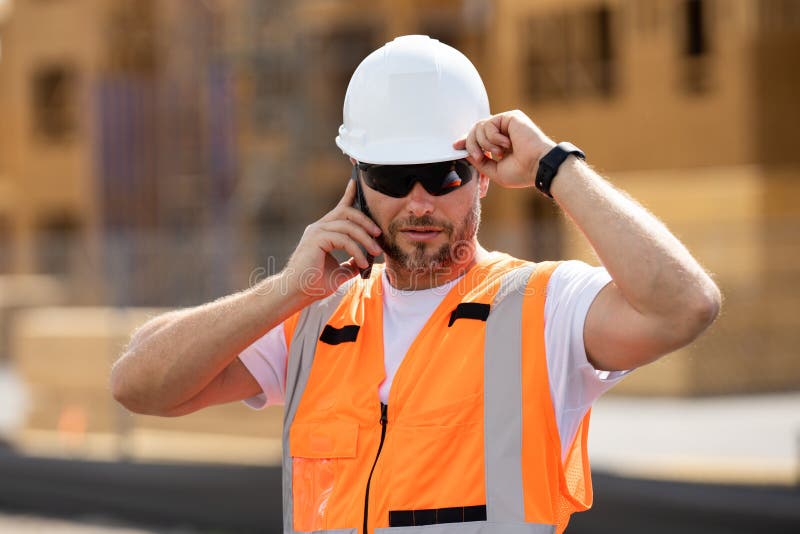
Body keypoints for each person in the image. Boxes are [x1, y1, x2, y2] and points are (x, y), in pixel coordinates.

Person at [111, 35, 721, 534]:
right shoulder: (313, 319)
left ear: (481, 177)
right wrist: (288, 289)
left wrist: (553, 167)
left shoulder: (544, 309)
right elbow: (138, 384)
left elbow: (684, 306)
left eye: (443, 173)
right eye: (394, 177)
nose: (420, 201)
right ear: (356, 180)